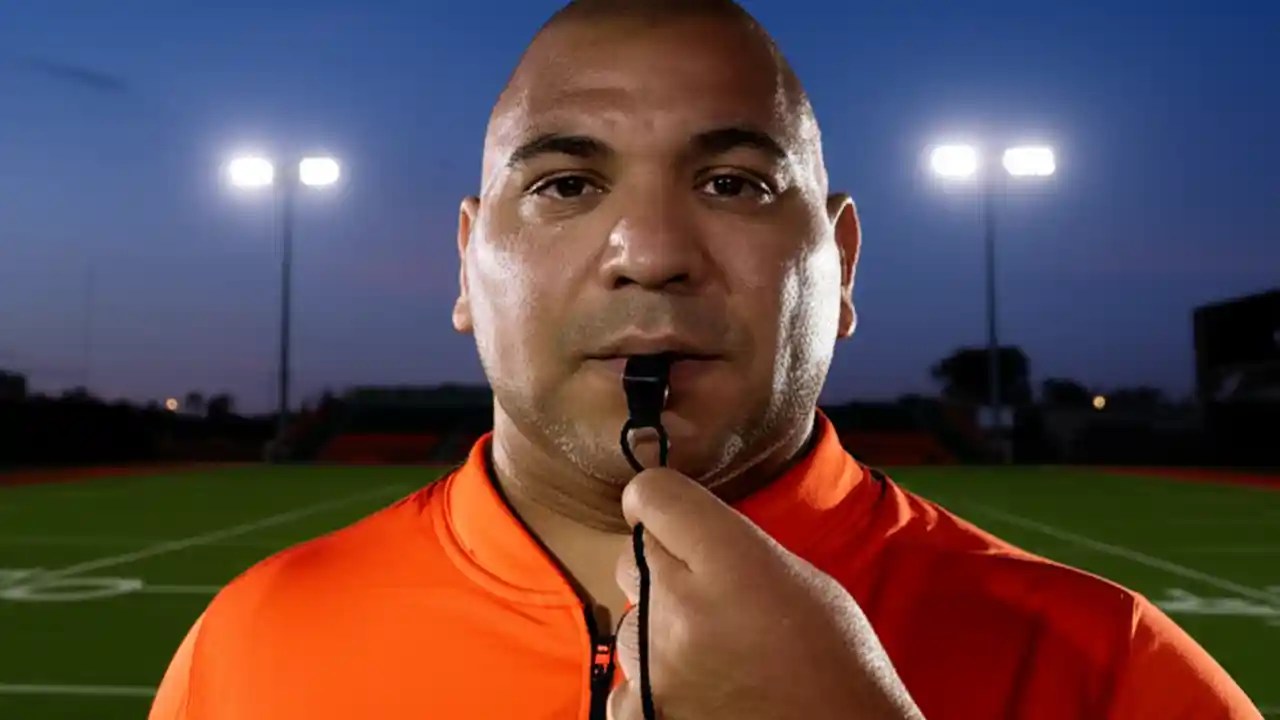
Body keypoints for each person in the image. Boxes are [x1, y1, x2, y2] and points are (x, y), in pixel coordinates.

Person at [149, 1, 1261, 718]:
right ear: (464, 266)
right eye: (565, 186)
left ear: (843, 265)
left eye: (732, 183)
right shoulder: (253, 641)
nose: (651, 254)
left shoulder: (1110, 667)